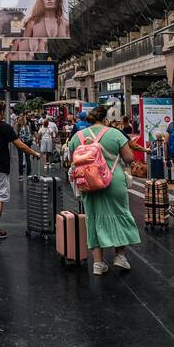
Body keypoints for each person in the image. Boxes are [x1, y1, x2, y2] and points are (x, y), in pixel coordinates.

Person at [64, 105, 140, 274]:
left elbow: (71, 159)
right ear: (105, 119)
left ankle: (98, 263)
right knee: (120, 214)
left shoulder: (78, 136)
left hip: (88, 182)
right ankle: (120, 256)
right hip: (113, 180)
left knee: (93, 218)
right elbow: (129, 158)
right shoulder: (115, 133)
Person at [0, 101, 42, 240]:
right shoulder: (4, 127)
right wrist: (34, 153)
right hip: (0, 166)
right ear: (2, 112)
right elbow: (20, 146)